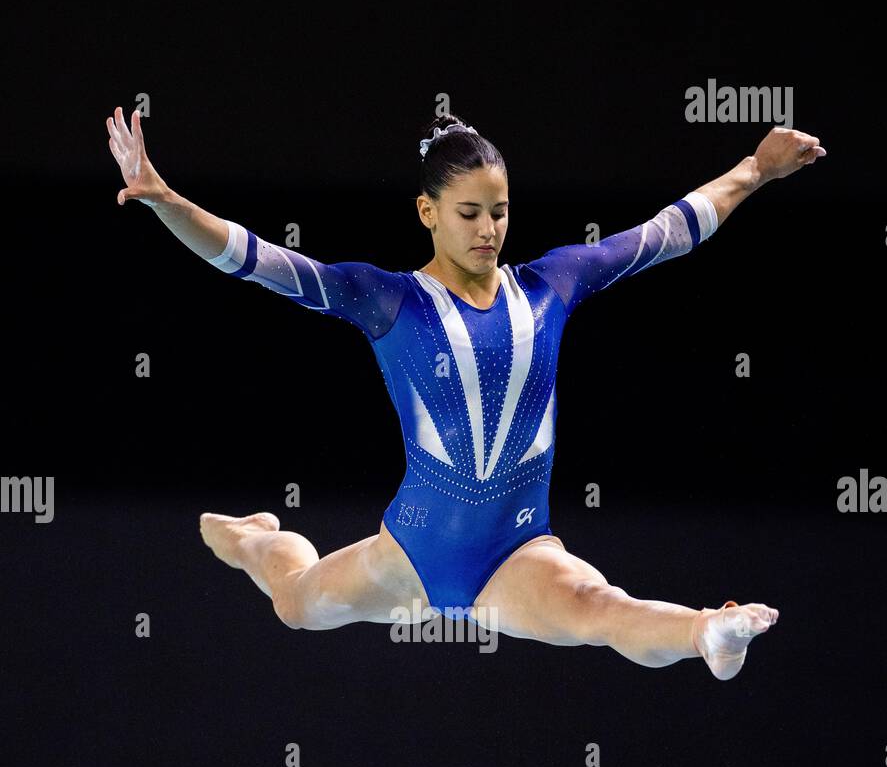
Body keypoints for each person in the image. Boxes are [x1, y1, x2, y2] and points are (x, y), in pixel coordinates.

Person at [107, 107, 825, 675]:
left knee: (598, 608)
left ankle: (711, 630)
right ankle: (255, 537)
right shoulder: (386, 300)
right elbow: (253, 258)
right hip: (413, 550)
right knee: (293, 603)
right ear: (428, 212)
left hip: (514, 552)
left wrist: (753, 170)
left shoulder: (552, 285)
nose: (489, 230)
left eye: (500, 210)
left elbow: (667, 232)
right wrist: (164, 199)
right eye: (469, 213)